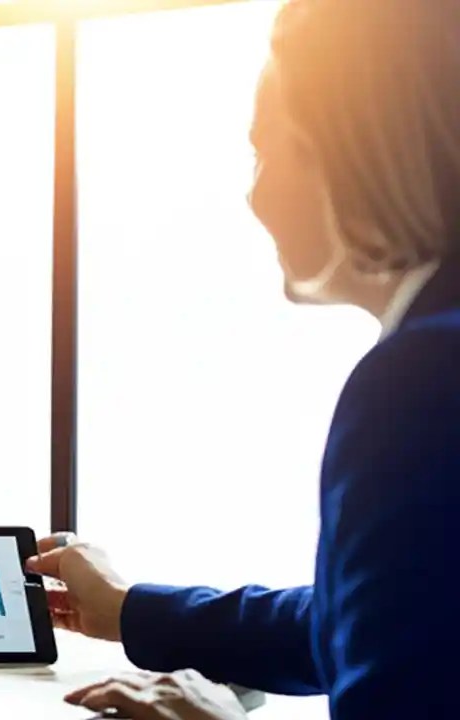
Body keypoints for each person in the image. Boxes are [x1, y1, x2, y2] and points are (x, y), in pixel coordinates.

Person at [26, 0, 460, 718]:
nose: (252, 194)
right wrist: (130, 610)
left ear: (345, 145)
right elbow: (355, 624)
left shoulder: (417, 383)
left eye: (264, 149)